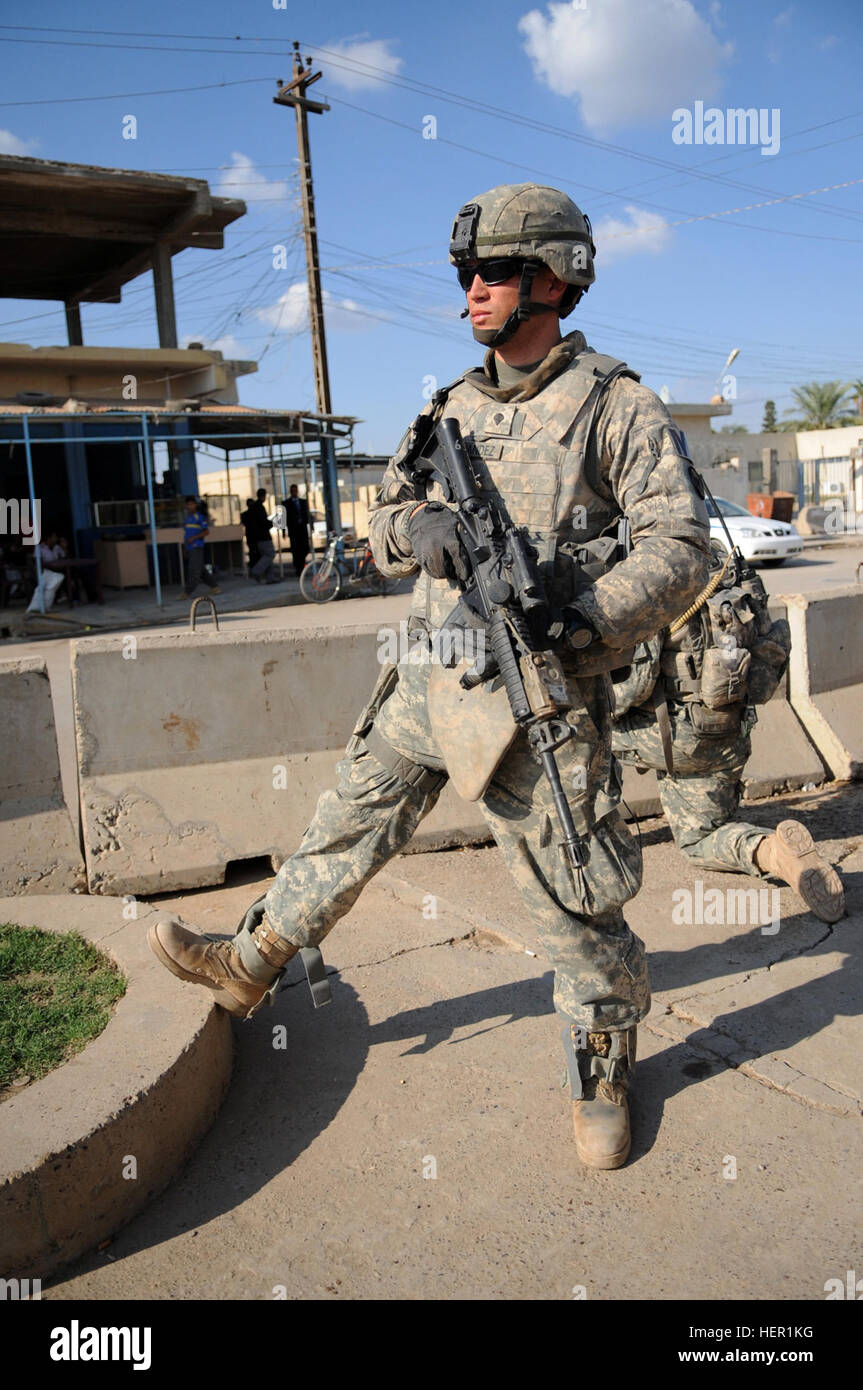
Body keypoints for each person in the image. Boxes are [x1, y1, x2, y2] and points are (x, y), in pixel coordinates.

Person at [148, 184, 711, 1169]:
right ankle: (249, 962)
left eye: (491, 272)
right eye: (464, 275)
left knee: (572, 890)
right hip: (435, 667)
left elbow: (680, 549)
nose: (470, 294)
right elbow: (378, 524)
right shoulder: (446, 406)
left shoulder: (612, 406)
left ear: (553, 276)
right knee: (345, 823)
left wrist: (580, 614)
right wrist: (417, 527)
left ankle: (601, 1060)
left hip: (537, 683)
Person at [611, 546, 845, 924]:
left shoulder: (646, 572)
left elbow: (633, 687)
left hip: (675, 742)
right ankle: (772, 851)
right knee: (712, 828)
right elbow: (770, 648)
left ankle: (595, 827)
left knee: (579, 728)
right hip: (731, 735)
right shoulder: (729, 566)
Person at [182, 496, 221, 599]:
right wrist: (186, 547)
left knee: (194, 570)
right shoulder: (187, 519)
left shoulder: (199, 517)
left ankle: (187, 592)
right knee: (201, 570)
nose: (190, 506)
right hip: (190, 548)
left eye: (192, 504)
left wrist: (194, 538)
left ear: (195, 505)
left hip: (197, 547)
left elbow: (206, 531)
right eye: (188, 504)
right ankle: (215, 587)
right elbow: (186, 534)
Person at [248, 487, 278, 584]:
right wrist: (272, 523)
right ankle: (256, 571)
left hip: (257, 537)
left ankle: (270, 578)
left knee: (267, 557)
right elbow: (263, 522)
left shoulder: (254, 507)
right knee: (270, 554)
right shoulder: (259, 507)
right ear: (264, 496)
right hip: (263, 536)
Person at [285, 483, 311, 577]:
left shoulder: (303, 502)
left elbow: (307, 515)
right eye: (293, 491)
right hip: (293, 531)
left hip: (302, 530)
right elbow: (284, 518)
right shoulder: (286, 503)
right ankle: (298, 569)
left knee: (304, 549)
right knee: (296, 551)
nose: (294, 492)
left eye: (295, 490)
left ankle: (302, 566)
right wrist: (284, 531)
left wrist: (311, 527)